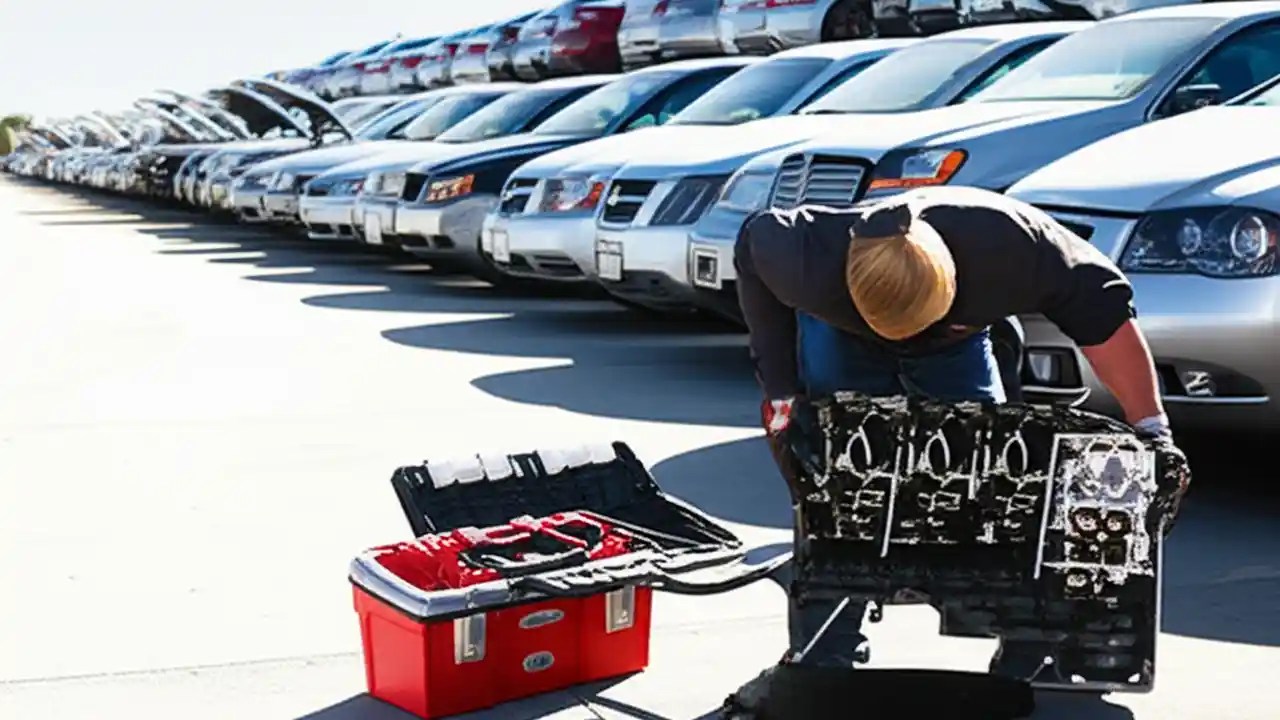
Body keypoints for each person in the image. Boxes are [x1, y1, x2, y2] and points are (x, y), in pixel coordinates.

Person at [730, 186, 1190, 695]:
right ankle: (823, 648)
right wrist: (780, 390)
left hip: (956, 339)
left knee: (988, 476)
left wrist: (1152, 429)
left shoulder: (1016, 249)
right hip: (843, 332)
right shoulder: (801, 257)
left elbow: (1104, 315)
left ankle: (1027, 646)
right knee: (842, 479)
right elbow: (750, 254)